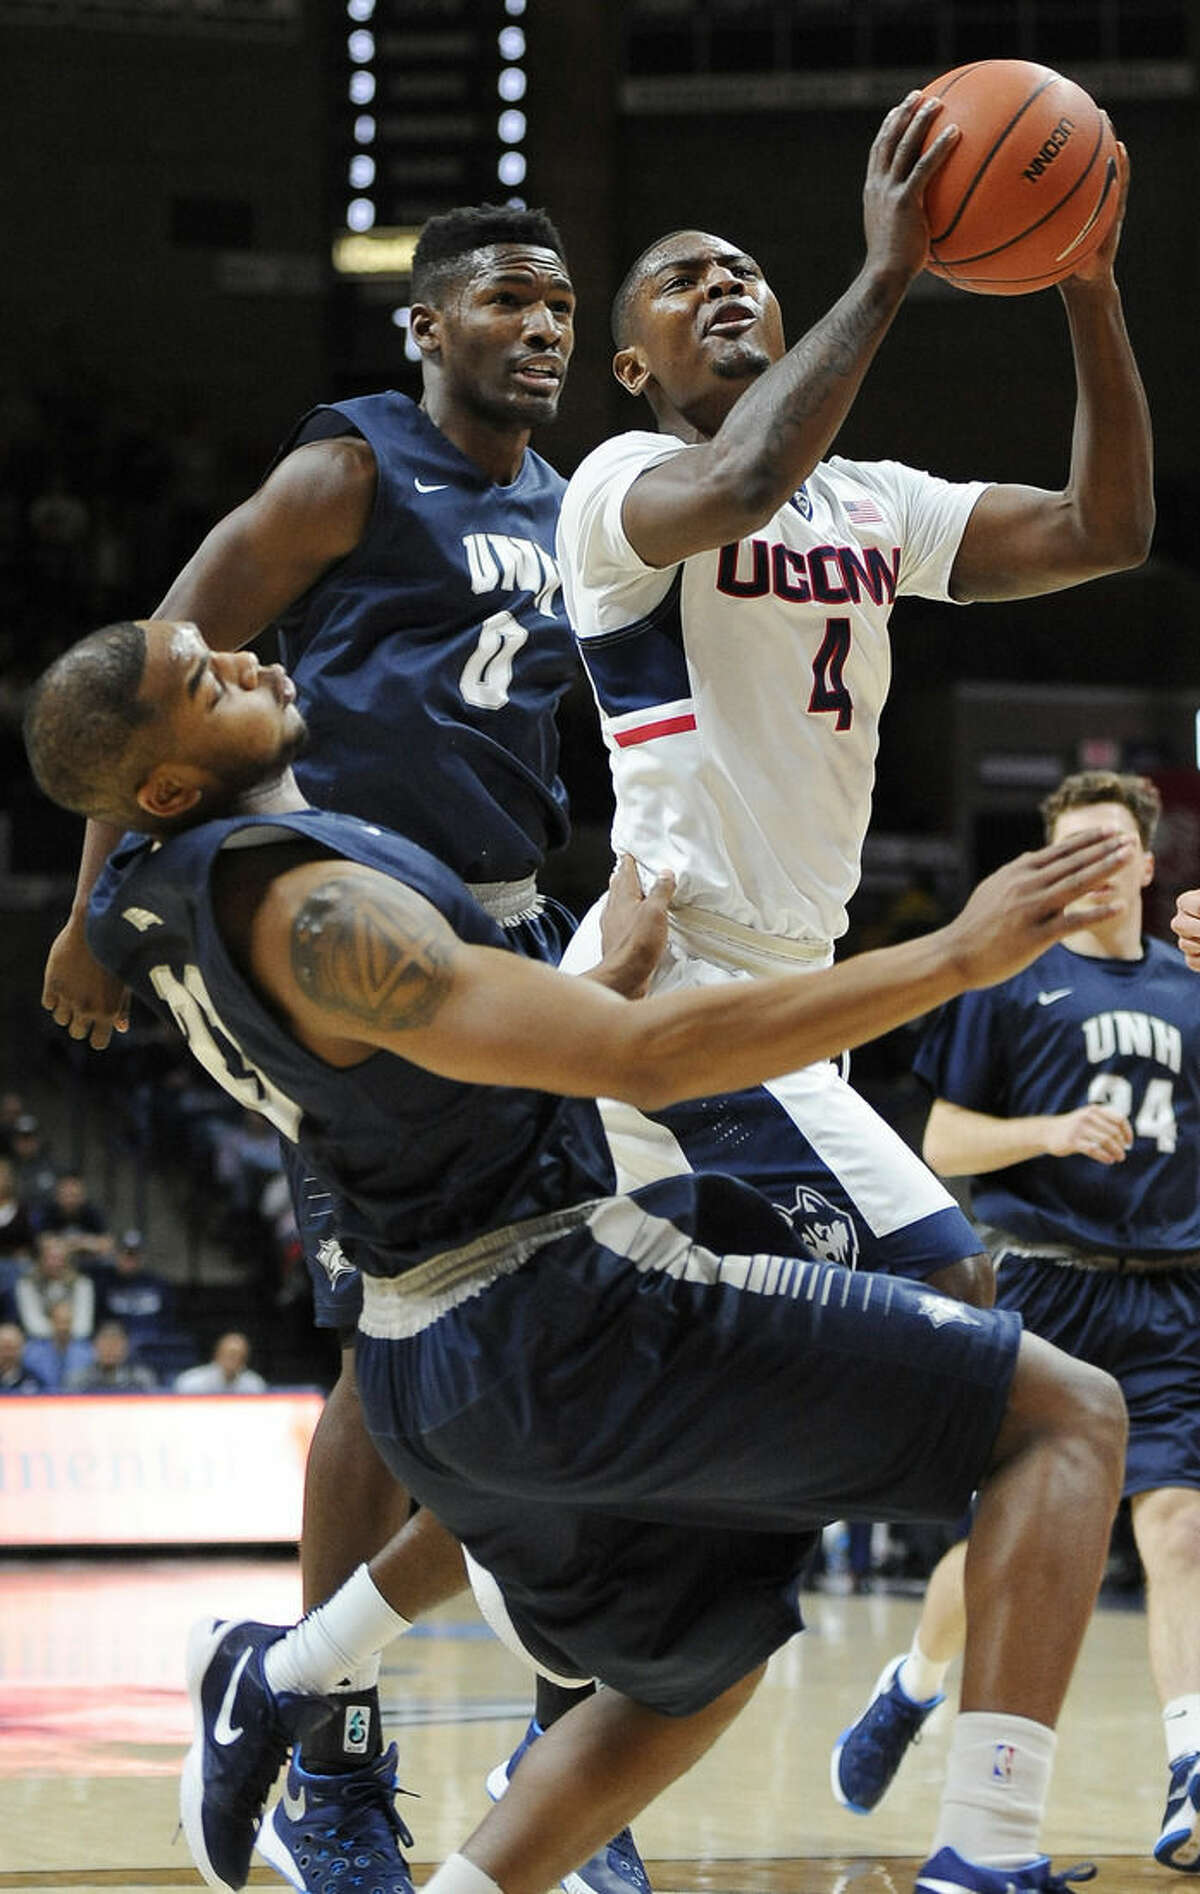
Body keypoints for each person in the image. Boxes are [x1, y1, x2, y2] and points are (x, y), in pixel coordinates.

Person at [25, 616, 1135, 1894]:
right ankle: (984, 1856)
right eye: (202, 681)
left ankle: (294, 1676)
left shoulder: (158, 894)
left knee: (698, 1668)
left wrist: (604, 979)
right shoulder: (317, 912)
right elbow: (646, 1062)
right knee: (1065, 1413)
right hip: (557, 1315)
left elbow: (460, 1058)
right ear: (170, 785)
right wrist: (955, 955)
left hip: (428, 1360)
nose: (242, 661)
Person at [34, 203, 652, 1894]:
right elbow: (149, 681)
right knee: (389, 1364)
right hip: (352, 952)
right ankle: (331, 1758)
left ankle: (556, 1748)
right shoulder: (349, 471)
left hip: (509, 924)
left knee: (569, 1335)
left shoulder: (566, 500)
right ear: (426, 327)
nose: (542, 322)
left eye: (559, 300)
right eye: (504, 298)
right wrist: (93, 908)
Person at [554, 92, 1153, 1315]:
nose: (723, 284)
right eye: (682, 280)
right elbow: (746, 480)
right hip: (682, 963)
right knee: (947, 1280)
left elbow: (1106, 530)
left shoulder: (876, 501)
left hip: (797, 979)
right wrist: (888, 273)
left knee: (679, 1342)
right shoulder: (619, 485)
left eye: (743, 271)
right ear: (631, 367)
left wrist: (1086, 286)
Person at [829, 769, 1200, 1876]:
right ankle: (912, 1684)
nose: (1095, 868)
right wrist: (1048, 1132)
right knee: (1015, 1543)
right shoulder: (1008, 978)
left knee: (1179, 1525)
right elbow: (941, 1140)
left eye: (1111, 847)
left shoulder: (1191, 982)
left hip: (1171, 1290)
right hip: (1047, 1284)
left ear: (1147, 862)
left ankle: (1192, 1764)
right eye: (1072, 849)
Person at [22, 1295, 94, 1391]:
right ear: (51, 1321)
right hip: (43, 1398)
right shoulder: (33, 1353)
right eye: (59, 1321)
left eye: (67, 1322)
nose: (63, 1327)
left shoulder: (87, 1353)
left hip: (76, 1398)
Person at [69, 1317, 157, 1392]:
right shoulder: (78, 1381)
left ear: (126, 1346)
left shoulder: (141, 1380)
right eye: (105, 1342)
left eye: (115, 1342)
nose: (110, 1348)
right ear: (95, 1345)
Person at [176, 1330, 267, 1394]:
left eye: (241, 1356)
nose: (235, 1359)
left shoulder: (254, 1384)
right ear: (218, 1354)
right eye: (231, 1354)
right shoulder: (192, 1381)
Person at [0, 1320, 45, 1393]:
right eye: (4, 1348)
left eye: (11, 1348)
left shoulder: (33, 1381)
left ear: (21, 1348)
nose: (7, 1355)